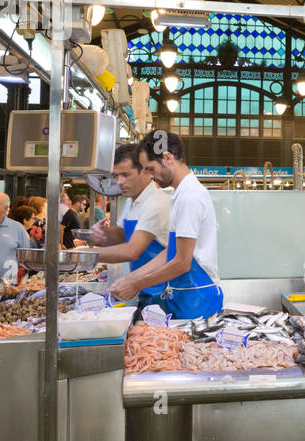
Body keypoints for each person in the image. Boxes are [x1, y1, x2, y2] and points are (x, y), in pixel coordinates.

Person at [108, 132, 223, 319]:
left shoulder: (189, 197)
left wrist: (137, 284)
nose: (150, 176)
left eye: (151, 169)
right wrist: (131, 278)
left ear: (167, 158)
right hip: (184, 295)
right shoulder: (179, 194)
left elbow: (182, 263)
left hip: (197, 301)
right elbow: (170, 253)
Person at [87, 142, 170, 307]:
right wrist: (103, 235)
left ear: (146, 172)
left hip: (164, 292)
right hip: (146, 289)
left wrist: (84, 254)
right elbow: (122, 234)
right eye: (116, 176)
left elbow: (132, 250)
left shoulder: (155, 203)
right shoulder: (133, 200)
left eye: (125, 175)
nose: (119, 182)